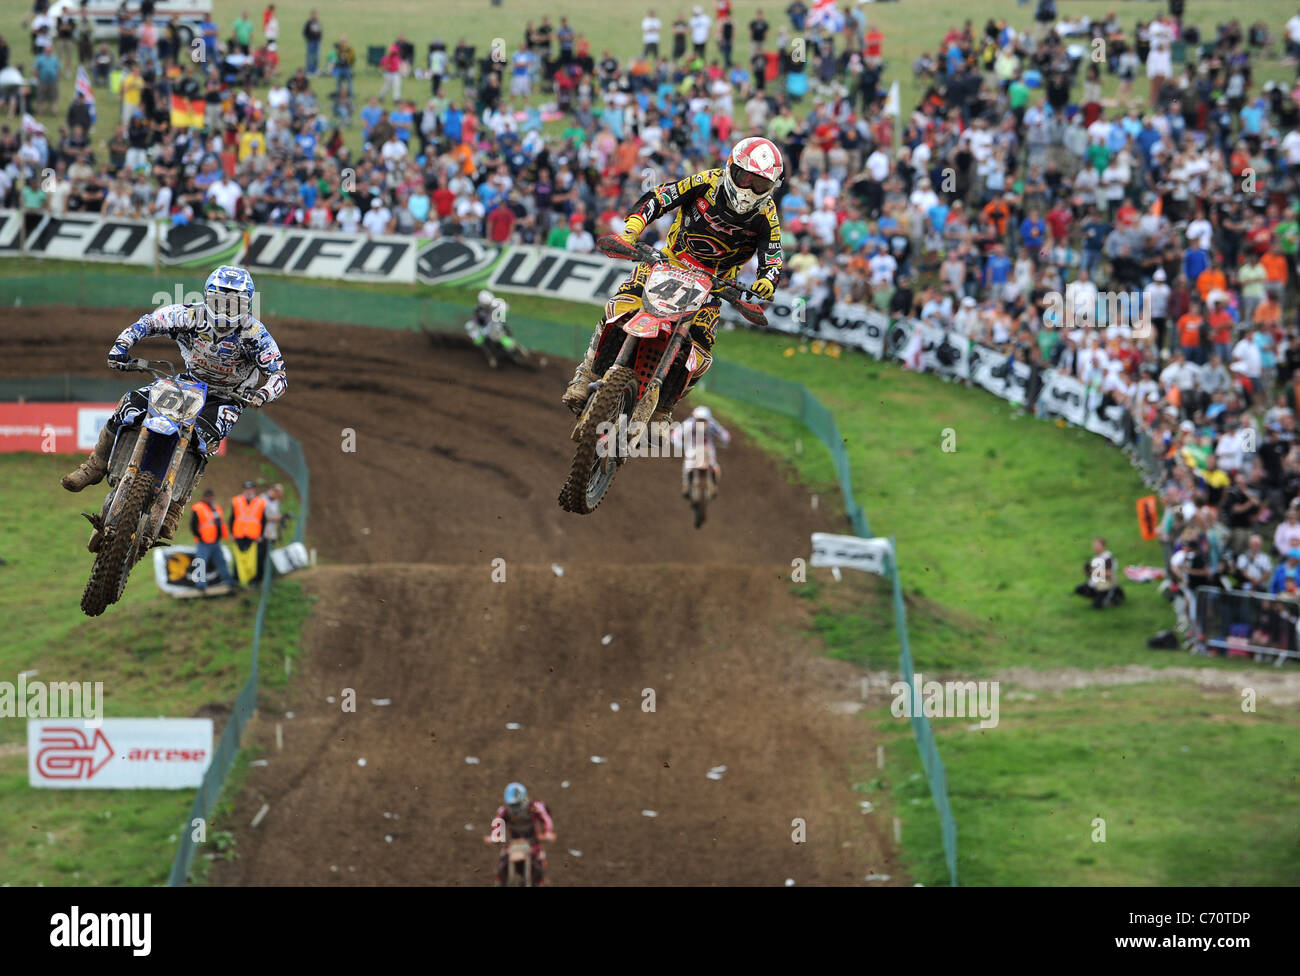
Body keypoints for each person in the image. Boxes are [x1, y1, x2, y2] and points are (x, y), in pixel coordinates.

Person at [59, 267, 287, 549]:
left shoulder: (255, 334)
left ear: (248, 304)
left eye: (234, 304)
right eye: (219, 301)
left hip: (228, 397)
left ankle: (176, 506)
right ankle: (94, 465)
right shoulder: (190, 315)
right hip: (187, 384)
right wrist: (121, 347)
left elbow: (278, 374)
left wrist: (263, 394)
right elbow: (148, 322)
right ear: (207, 297)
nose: (226, 310)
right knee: (129, 405)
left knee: (203, 440)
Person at [562, 137, 784, 423]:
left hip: (715, 284)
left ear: (772, 187)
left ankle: (664, 409)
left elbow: (773, 255)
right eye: (745, 178)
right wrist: (631, 229)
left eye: (760, 184)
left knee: (701, 348)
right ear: (731, 169)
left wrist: (767, 281)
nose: (750, 189)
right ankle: (586, 374)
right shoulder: (706, 182)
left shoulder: (767, 215)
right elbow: (660, 197)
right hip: (669, 262)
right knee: (618, 306)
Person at [484, 782, 555, 886]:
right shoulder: (504, 810)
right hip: (514, 843)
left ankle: (540, 883)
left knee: (540, 862)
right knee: (501, 865)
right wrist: (495, 836)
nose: (515, 808)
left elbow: (546, 819)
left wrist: (548, 833)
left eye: (517, 804)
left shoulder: (535, 807)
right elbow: (498, 823)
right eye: (513, 805)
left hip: (532, 841)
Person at [678, 404, 731, 497]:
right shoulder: (689, 423)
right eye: (699, 420)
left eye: (704, 420)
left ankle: (714, 485)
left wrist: (725, 440)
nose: (701, 422)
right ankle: (686, 485)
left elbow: (724, 434)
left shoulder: (712, 425)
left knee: (715, 467)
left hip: (707, 447)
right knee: (687, 465)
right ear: (695, 418)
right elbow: (676, 433)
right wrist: (679, 444)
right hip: (692, 447)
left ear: (708, 419)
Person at [190, 488, 235, 592]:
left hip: (215, 542)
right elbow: (193, 525)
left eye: (211, 497)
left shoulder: (216, 508)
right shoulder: (198, 508)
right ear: (204, 497)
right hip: (203, 542)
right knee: (201, 563)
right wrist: (200, 537)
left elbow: (219, 523)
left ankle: (228, 581)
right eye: (208, 497)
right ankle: (201, 585)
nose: (210, 499)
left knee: (221, 562)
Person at [464, 289, 521, 368]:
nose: (489, 304)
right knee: (476, 335)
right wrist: (476, 328)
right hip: (486, 329)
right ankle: (491, 357)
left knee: (501, 331)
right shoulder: (478, 310)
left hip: (497, 326)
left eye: (490, 302)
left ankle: (516, 348)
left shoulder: (498, 304)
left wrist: (498, 317)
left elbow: (505, 309)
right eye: (487, 303)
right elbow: (476, 321)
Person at [230, 481, 266, 586]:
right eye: (247, 489)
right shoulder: (237, 500)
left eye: (250, 489)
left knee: (254, 559)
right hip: (240, 534)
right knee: (238, 557)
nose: (248, 491)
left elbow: (263, 520)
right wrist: (232, 533)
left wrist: (261, 535)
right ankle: (237, 579)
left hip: (254, 535)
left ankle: (253, 580)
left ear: (254, 490)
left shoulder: (260, 502)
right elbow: (232, 518)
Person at [1073, 536, 1125, 609]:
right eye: (1094, 545)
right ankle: (1101, 598)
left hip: (1106, 585)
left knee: (1096, 606)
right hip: (1096, 584)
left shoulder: (1108, 557)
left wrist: (1092, 571)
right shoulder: (1096, 558)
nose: (1095, 547)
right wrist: (1086, 570)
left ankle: (1112, 597)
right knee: (1079, 589)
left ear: (1103, 546)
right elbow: (1092, 573)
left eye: (1097, 545)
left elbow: (1108, 574)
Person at [258, 482, 284, 580]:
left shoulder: (276, 501)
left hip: (272, 532)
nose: (279, 496)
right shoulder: (262, 499)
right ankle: (260, 577)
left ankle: (268, 575)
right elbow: (260, 516)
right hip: (263, 532)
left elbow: (275, 513)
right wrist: (275, 518)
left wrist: (279, 517)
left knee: (270, 554)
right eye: (279, 493)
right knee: (261, 555)